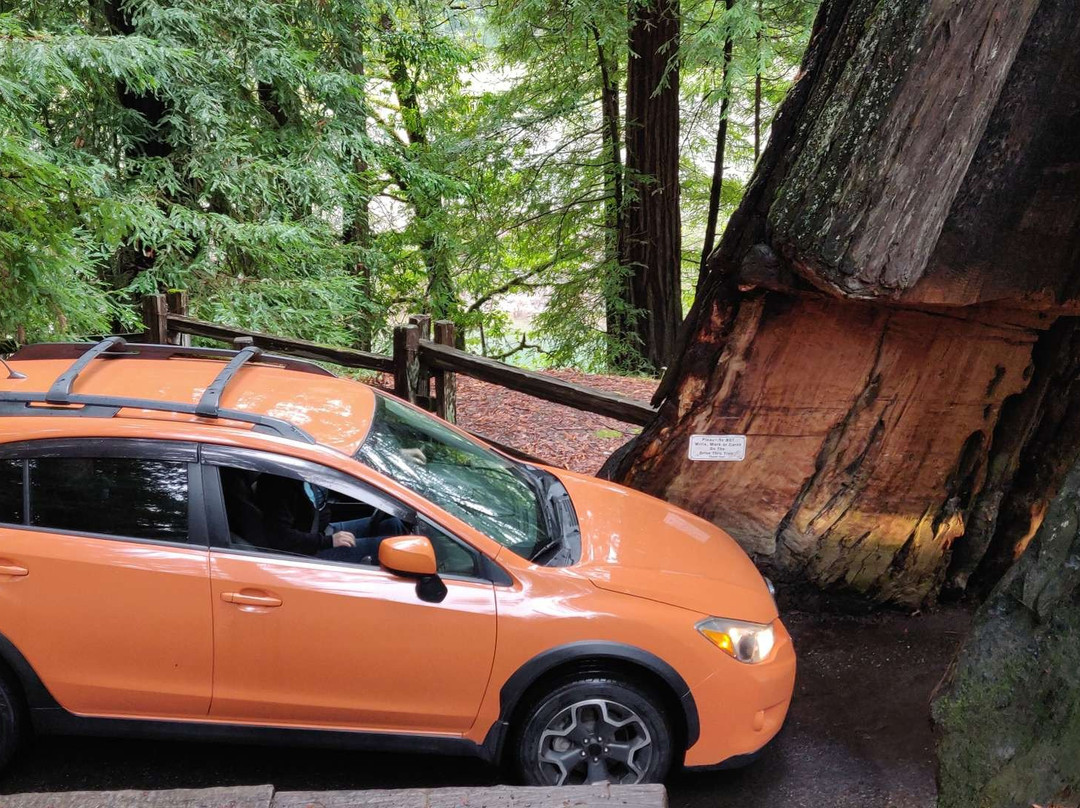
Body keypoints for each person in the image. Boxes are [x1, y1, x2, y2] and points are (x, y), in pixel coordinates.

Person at [254, 473, 408, 563]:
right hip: (306, 553)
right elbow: (281, 539)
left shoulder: (306, 471)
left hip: (322, 532)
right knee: (388, 547)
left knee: (392, 524)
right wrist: (329, 541)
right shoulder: (279, 485)